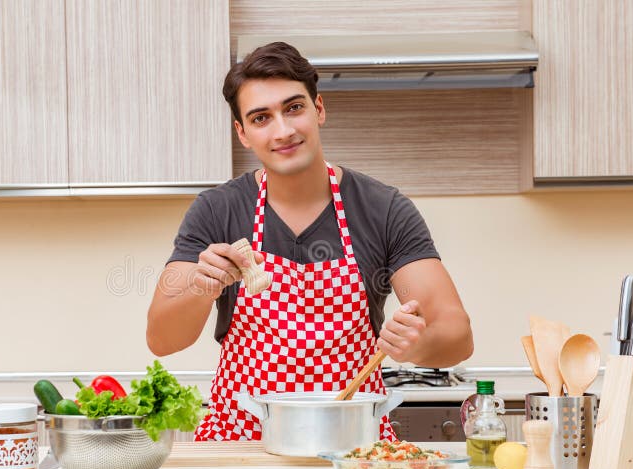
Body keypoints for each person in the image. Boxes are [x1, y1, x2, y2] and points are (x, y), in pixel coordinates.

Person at [146, 42, 473, 441]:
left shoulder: (383, 209)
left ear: (319, 108)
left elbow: (457, 335)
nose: (282, 130)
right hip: (244, 449)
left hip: (352, 446)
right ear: (243, 133)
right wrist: (200, 287)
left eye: (294, 108)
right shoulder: (216, 211)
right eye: (261, 117)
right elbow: (161, 339)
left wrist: (413, 346)